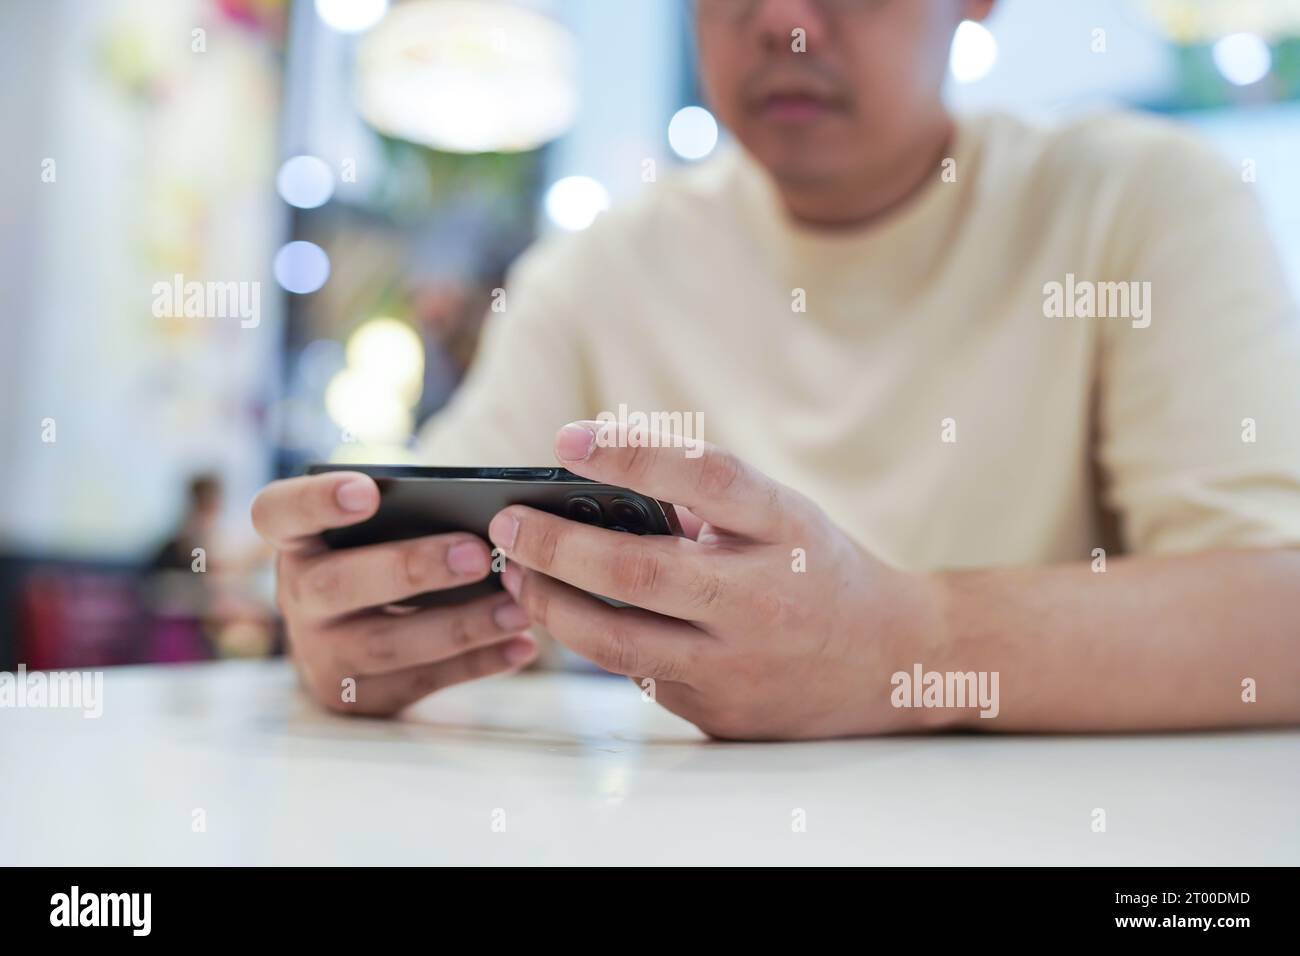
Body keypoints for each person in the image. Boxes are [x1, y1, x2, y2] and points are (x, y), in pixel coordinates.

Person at [252, 0, 1300, 739]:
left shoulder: (1140, 201)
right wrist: (352, 617)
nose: (783, 21)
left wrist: (905, 643)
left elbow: (1274, 615)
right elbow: (418, 555)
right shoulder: (597, 271)